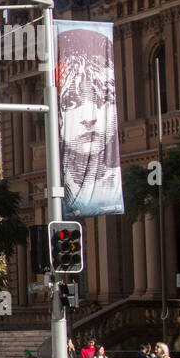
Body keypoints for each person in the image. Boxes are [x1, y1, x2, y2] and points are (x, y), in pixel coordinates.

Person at [57, 24, 123, 218]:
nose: (89, 118)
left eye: (101, 99)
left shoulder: (113, 185)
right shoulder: (62, 185)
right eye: (71, 102)